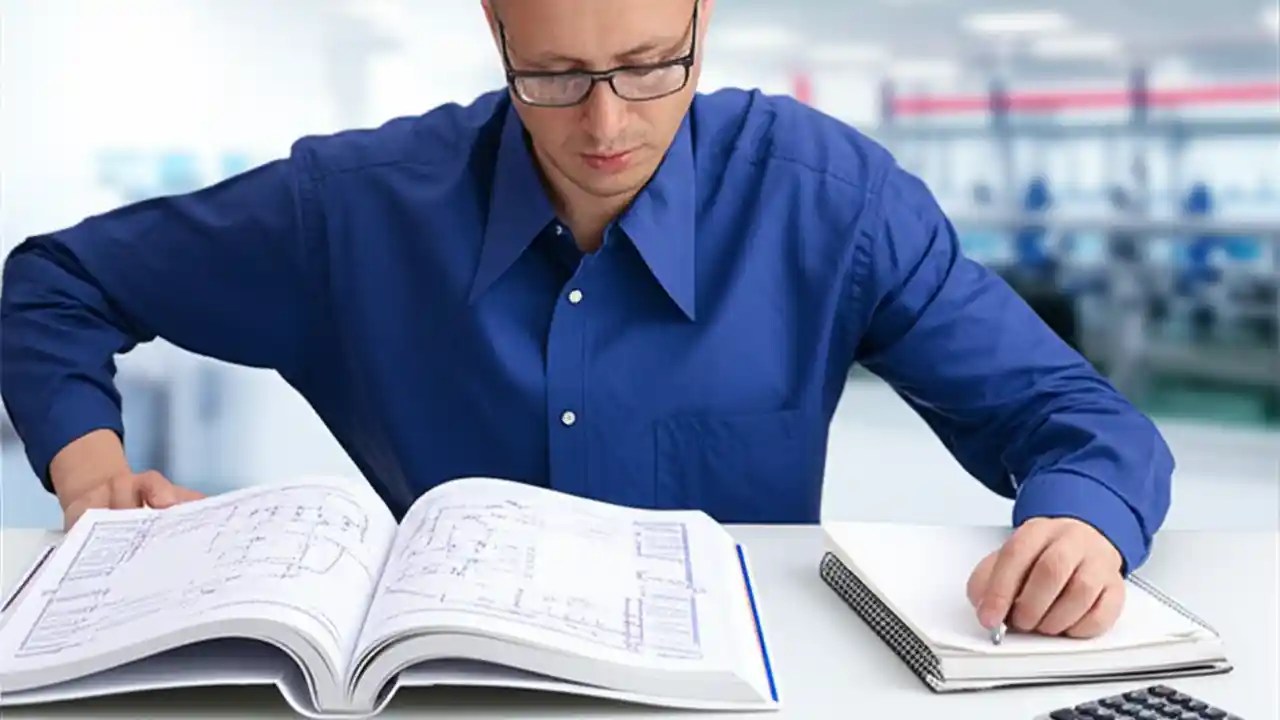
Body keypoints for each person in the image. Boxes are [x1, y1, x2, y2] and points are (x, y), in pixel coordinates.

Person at [0, 0, 1172, 644]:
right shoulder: (354, 210)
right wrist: (91, 474)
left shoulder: (829, 204)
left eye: (652, 66)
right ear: (495, 30)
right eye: (554, 75)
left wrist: (1081, 526)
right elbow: (53, 283)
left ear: (702, 23)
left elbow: (1074, 420)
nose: (605, 123)